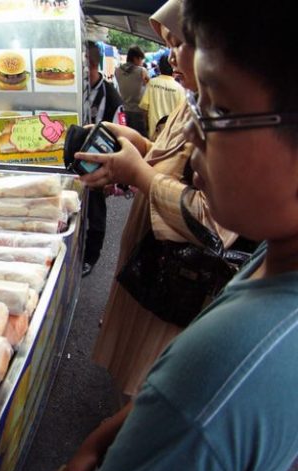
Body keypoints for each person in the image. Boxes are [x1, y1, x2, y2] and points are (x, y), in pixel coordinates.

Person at [60, 0, 298, 471]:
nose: (193, 129)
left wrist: (140, 173)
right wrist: (113, 431)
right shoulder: (274, 260)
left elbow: (184, 401)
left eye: (219, 108)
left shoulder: (211, 376)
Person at [86, 0, 237, 397]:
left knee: (154, 388)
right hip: (151, 262)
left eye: (179, 42)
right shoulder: (192, 103)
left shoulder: (225, 114)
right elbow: (175, 165)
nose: (172, 55)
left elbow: (213, 222)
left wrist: (138, 173)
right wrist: (141, 145)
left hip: (181, 280)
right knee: (135, 376)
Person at [83, 40, 124, 277]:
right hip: (71, 161)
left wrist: (113, 175)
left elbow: (120, 135)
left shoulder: (111, 95)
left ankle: (91, 257)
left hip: (99, 162)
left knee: (96, 214)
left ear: (91, 64)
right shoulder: (74, 89)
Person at [139, 54, 185, 138]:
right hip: (170, 137)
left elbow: (144, 109)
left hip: (154, 135)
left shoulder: (152, 83)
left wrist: (146, 128)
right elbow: (181, 116)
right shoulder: (180, 89)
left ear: (159, 67)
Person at [114, 46, 149, 137]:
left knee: (126, 138)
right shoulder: (142, 71)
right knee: (141, 140)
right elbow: (148, 86)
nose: (142, 62)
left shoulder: (117, 71)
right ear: (135, 58)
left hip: (123, 111)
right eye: (141, 59)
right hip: (138, 113)